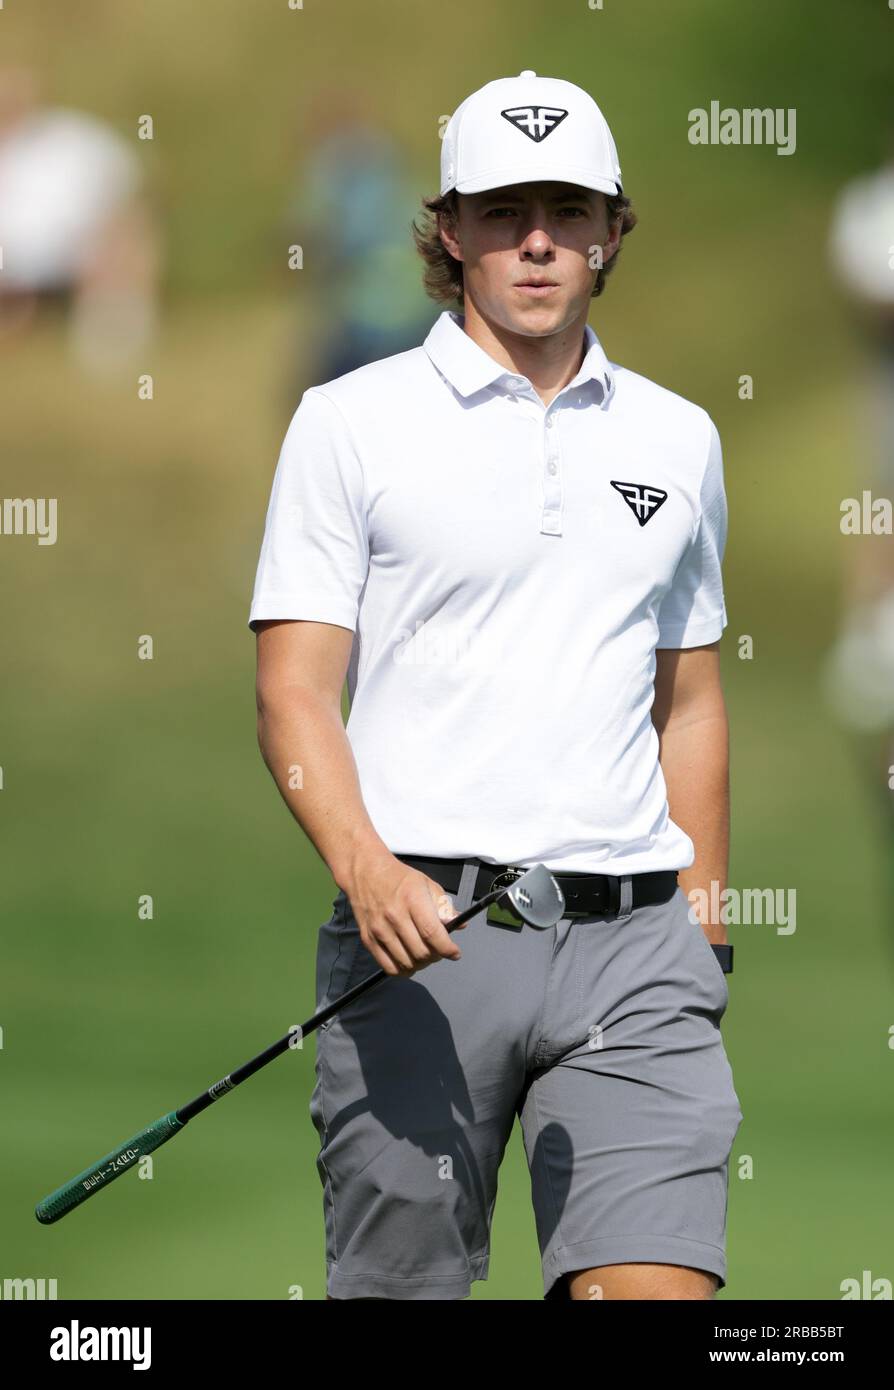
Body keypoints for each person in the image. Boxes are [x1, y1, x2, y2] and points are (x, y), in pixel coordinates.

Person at [248, 70, 743, 1301]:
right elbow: (293, 694)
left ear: (610, 231)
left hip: (634, 949)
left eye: (569, 211)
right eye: (505, 209)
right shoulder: (348, 422)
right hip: (423, 945)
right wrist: (364, 867)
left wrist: (707, 918)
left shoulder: (678, 437)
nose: (538, 240)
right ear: (449, 230)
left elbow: (690, 699)